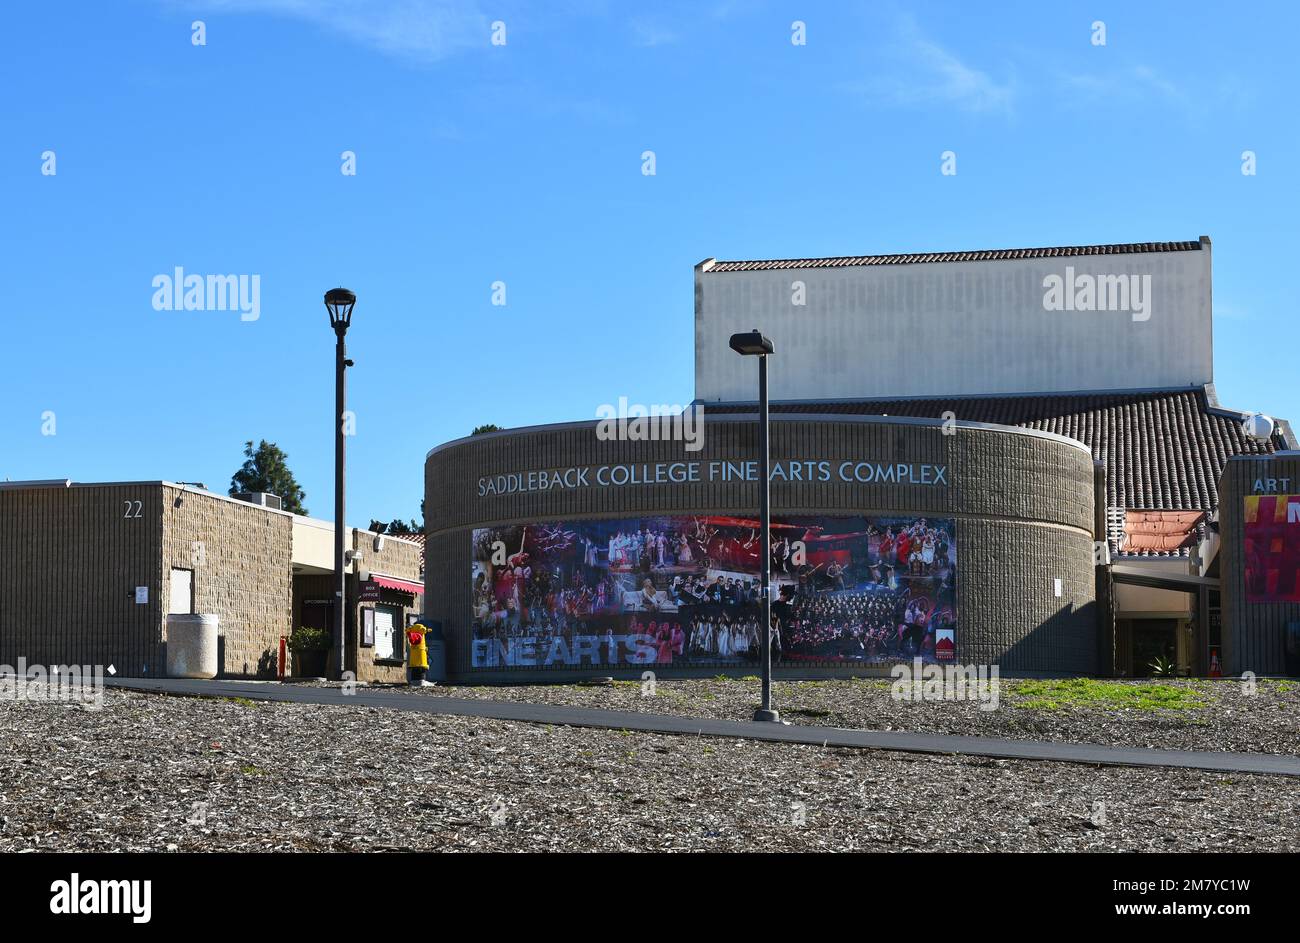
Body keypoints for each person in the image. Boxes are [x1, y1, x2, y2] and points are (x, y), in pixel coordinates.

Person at [406, 621, 434, 686]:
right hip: (420, 657)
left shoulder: (413, 634)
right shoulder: (419, 634)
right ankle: (421, 681)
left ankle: (415, 681)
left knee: (416, 668)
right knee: (420, 668)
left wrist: (409, 633)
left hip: (414, 659)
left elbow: (411, 635)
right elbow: (417, 634)